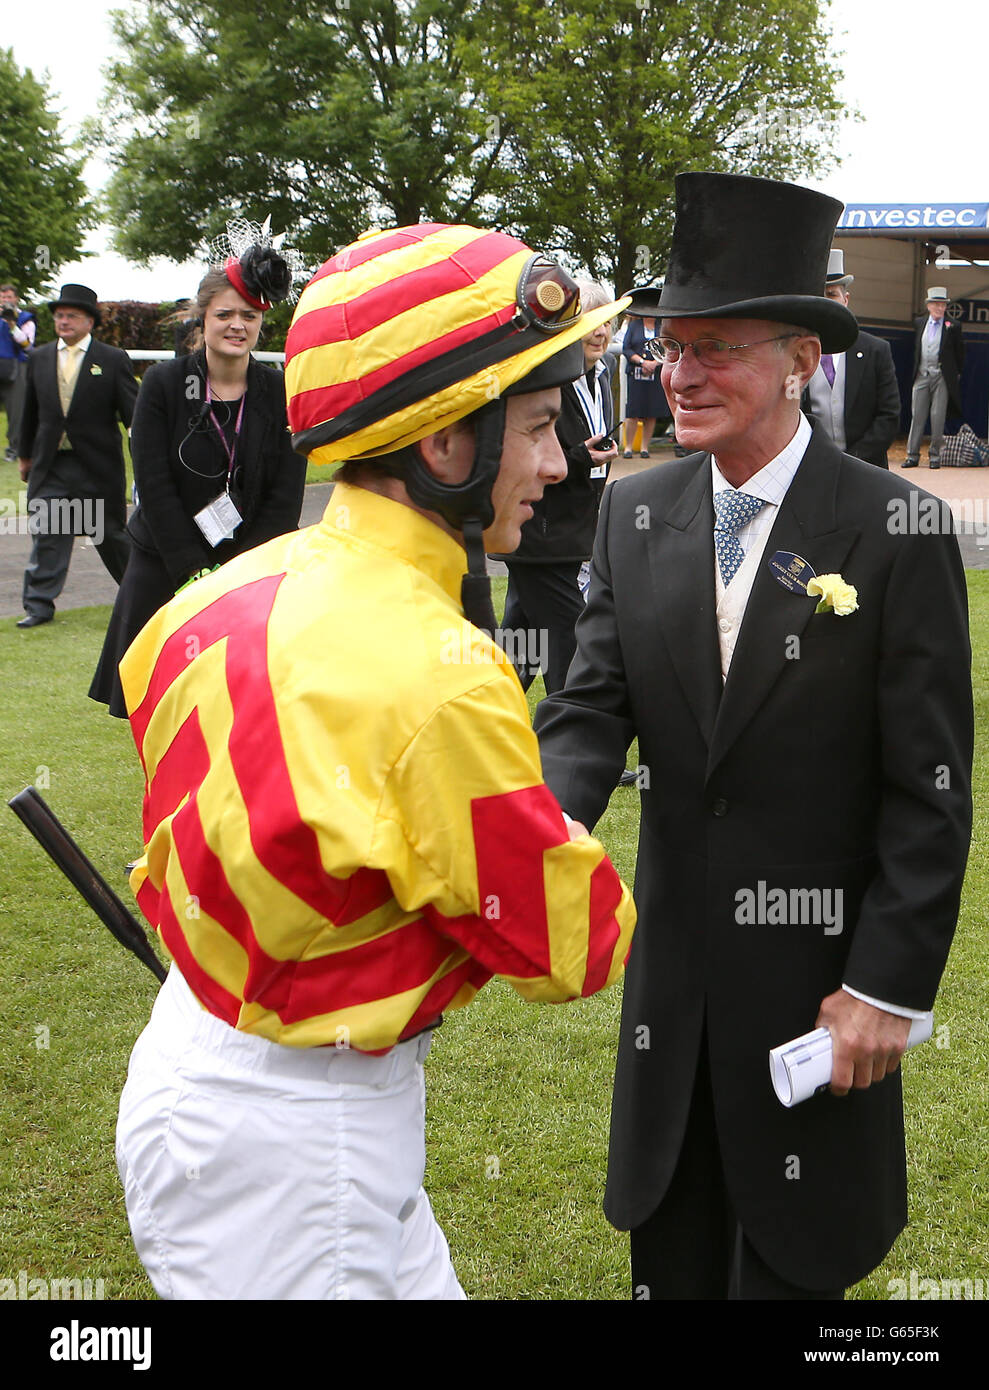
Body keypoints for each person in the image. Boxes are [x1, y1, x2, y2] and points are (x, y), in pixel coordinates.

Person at [113, 223, 637, 1301]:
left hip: (213, 1071)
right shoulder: (445, 675)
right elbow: (569, 945)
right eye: (537, 427)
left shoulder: (206, 602)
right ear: (444, 446)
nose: (557, 461)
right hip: (306, 1141)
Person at [535, 172, 973, 1300]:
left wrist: (884, 985)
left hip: (820, 996)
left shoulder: (895, 527)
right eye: (668, 346)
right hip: (669, 1017)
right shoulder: (632, 516)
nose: (677, 374)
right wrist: (518, 835)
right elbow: (586, 717)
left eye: (714, 348)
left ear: (799, 360)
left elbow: (927, 790)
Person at [89, 239, 307, 716]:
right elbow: (153, 482)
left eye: (249, 316)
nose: (237, 325)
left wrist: (241, 572)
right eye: (226, 314)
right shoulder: (165, 384)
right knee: (157, 704)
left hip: (249, 571)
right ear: (203, 318)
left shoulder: (279, 389)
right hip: (165, 564)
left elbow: (286, 494)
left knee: (239, 704)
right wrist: (192, 570)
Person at [497, 279, 618, 694]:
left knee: (520, 648)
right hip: (541, 536)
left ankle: (484, 733)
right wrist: (582, 458)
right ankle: (569, 751)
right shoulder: (544, 377)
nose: (599, 332)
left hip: (573, 531)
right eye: (589, 322)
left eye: (605, 322)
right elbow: (524, 455)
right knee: (569, 647)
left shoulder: (603, 374)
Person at [16, 284, 138, 628]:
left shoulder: (112, 360)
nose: (64, 321)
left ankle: (142, 595)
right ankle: (38, 606)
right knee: (49, 534)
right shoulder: (39, 358)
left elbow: (135, 417)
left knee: (110, 535)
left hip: (96, 466)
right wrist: (25, 456)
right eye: (59, 316)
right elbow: (29, 413)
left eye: (72, 316)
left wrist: (145, 455)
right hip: (51, 464)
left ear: (89, 322)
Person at [803, 250, 901, 468]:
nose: (825, 302)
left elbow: (889, 415)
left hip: (865, 469)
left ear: (845, 299)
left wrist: (852, 461)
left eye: (832, 294)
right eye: (819, 295)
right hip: (811, 467)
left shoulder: (876, 351)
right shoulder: (794, 353)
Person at [904, 287, 965, 469]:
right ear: (929, 305)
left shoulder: (953, 326)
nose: (940, 308)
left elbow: (960, 352)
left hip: (941, 377)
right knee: (917, 416)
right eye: (936, 304)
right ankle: (912, 455)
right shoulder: (920, 323)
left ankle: (935, 455)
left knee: (938, 417)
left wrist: (955, 374)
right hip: (922, 374)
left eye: (943, 305)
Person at [621, 308, 671, 457]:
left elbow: (667, 348)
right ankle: (628, 447)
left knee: (652, 411)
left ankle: (644, 448)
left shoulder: (661, 327)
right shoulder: (634, 325)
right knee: (633, 411)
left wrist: (655, 363)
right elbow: (626, 348)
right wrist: (642, 362)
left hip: (655, 374)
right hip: (636, 373)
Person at [0, 284, 36, 460]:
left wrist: (12, 325)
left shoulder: (26, 319)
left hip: (17, 366)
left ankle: (15, 449)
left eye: (9, 297)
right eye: (3, 297)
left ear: (16, 299)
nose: (6, 301)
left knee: (16, 412)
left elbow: (28, 346)